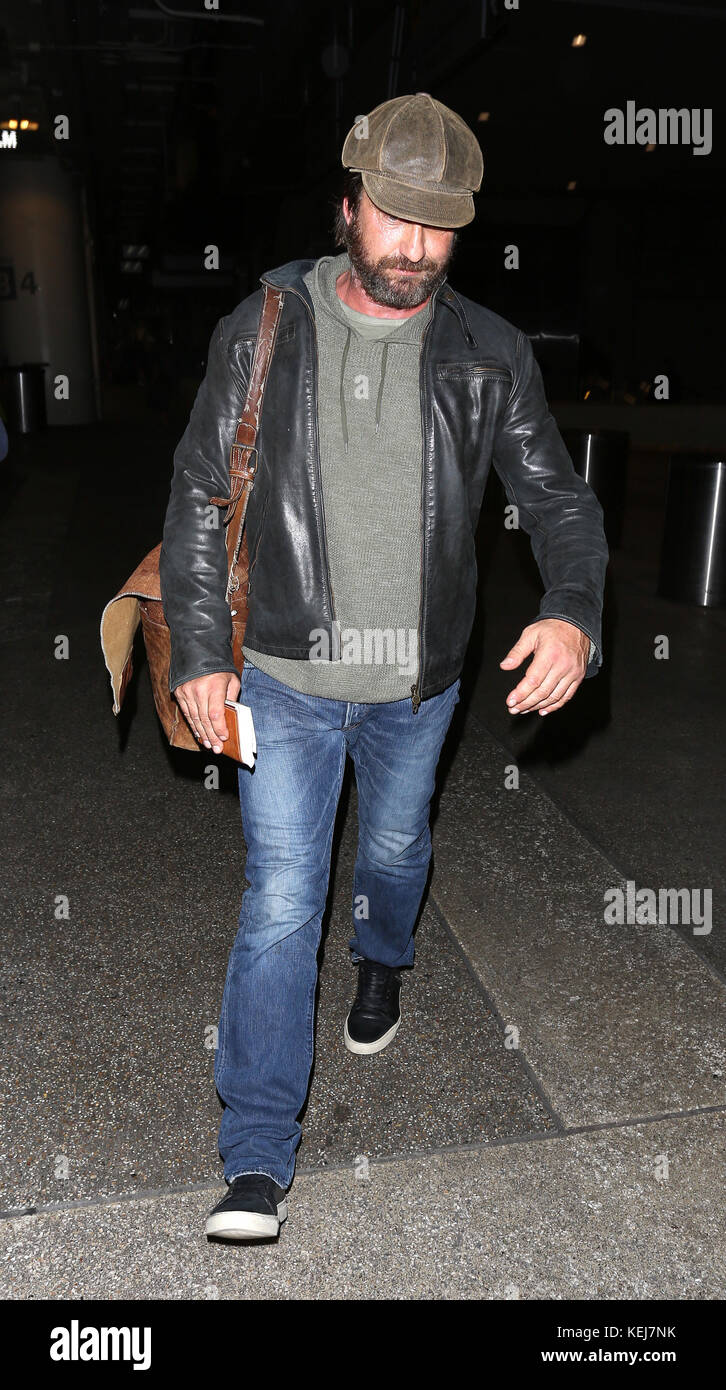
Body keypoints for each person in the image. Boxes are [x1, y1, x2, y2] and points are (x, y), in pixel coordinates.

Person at [159, 93, 609, 1242]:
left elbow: (556, 500)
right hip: (285, 679)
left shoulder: (489, 355)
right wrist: (202, 652)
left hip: (419, 687)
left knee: (399, 851)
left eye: (439, 229)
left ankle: (384, 960)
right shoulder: (264, 323)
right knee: (278, 902)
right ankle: (256, 1158)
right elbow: (204, 495)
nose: (415, 248)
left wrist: (573, 611)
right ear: (348, 205)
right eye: (395, 220)